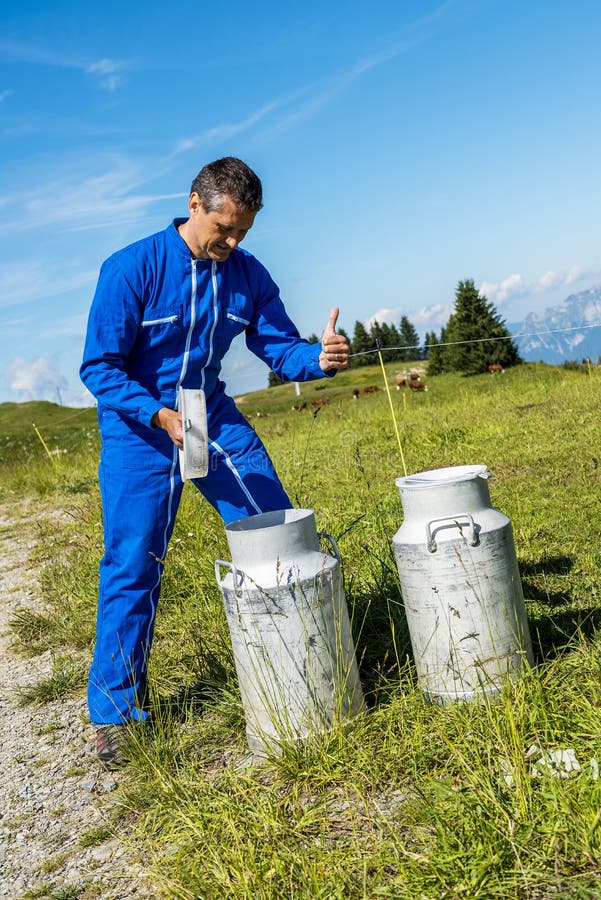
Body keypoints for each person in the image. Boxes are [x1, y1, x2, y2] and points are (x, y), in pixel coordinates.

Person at [80, 157, 349, 767]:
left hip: (210, 414)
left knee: (276, 530)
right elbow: (99, 367)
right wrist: (157, 415)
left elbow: (280, 346)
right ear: (194, 205)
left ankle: (306, 662)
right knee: (133, 562)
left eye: (242, 234)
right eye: (223, 229)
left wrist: (319, 358)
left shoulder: (248, 275)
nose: (230, 244)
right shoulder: (130, 269)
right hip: (139, 429)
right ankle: (116, 714)